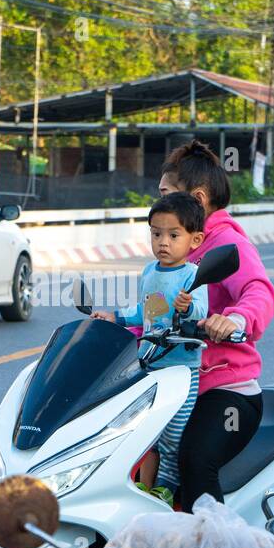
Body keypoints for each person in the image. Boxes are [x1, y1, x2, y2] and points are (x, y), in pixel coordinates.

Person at [158, 140, 274, 509]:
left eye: (165, 194)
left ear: (196, 198)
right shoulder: (174, 248)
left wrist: (235, 318)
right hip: (176, 383)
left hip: (227, 392)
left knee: (194, 460)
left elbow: (259, 291)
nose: (157, 204)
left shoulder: (226, 244)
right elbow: (155, 311)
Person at [90, 193, 208, 504]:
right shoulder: (149, 272)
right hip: (150, 366)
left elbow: (202, 312)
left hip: (183, 370)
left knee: (174, 433)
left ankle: (168, 487)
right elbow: (145, 312)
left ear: (195, 240)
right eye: (156, 234)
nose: (163, 242)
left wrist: (188, 308)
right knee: (148, 432)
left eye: (173, 235)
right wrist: (114, 316)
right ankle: (143, 487)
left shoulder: (192, 275)